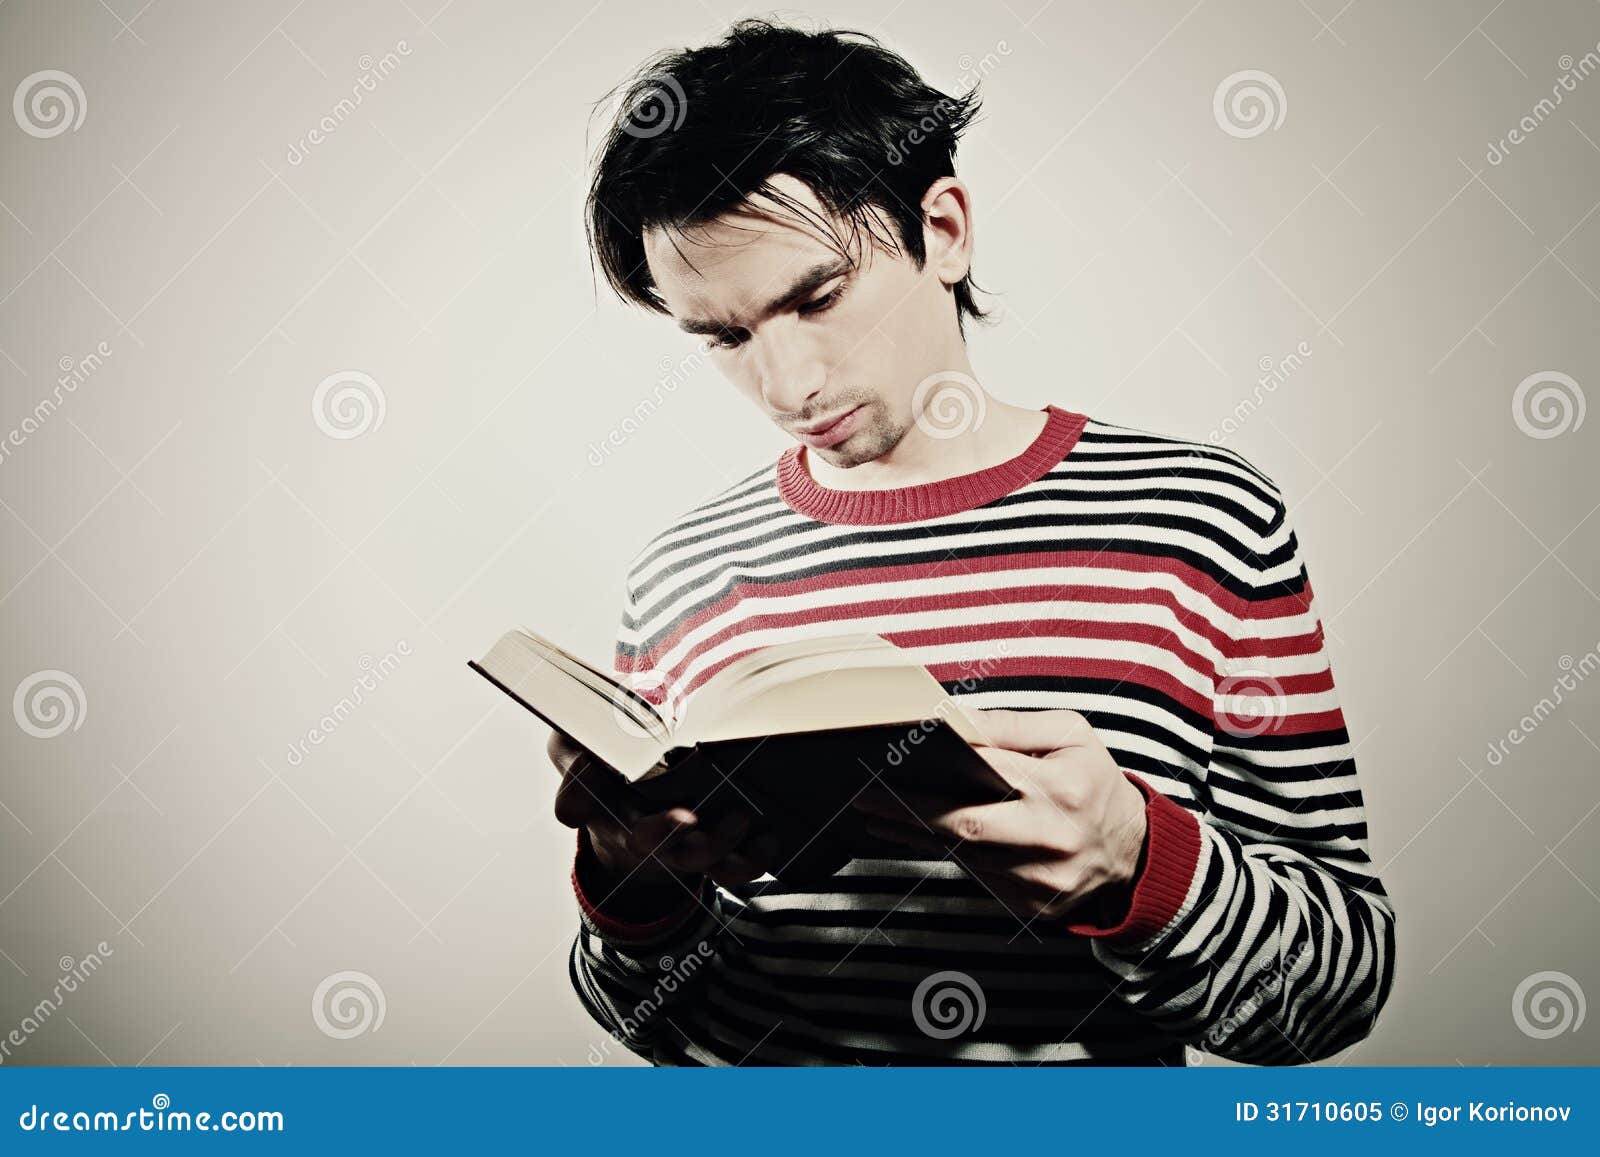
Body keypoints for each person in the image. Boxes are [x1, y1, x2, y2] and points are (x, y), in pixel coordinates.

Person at [549, 17, 1395, 1065]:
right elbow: (654, 1025)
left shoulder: (1199, 519)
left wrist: (1138, 867)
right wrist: (638, 889)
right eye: (724, 337)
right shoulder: (683, 574)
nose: (786, 384)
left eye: (817, 297)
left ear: (942, 228)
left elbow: (1337, 985)